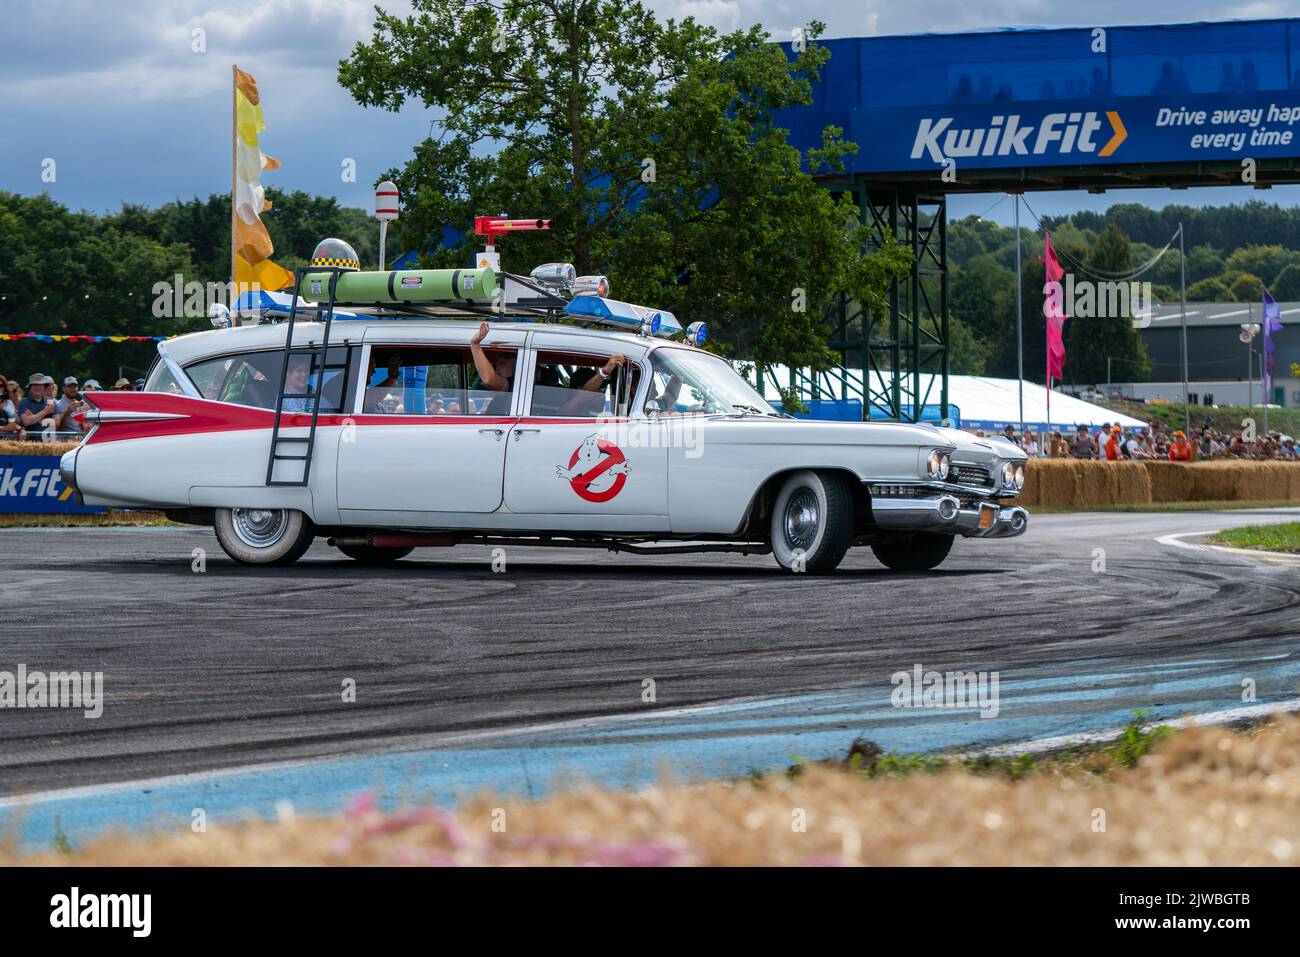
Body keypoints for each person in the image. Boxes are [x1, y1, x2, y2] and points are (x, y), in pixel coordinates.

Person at [469, 321, 518, 414]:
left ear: (514, 366)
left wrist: (475, 344)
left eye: (502, 364)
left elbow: (489, 379)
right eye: (496, 365)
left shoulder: (508, 385)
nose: (497, 369)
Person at [17, 373, 58, 440]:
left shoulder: (51, 402)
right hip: (29, 443)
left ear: (44, 387)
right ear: (30, 387)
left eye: (40, 385)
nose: (37, 387)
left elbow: (57, 423)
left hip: (49, 442)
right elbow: (26, 421)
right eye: (34, 385)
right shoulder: (23, 402)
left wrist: (35, 418)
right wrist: (45, 412)